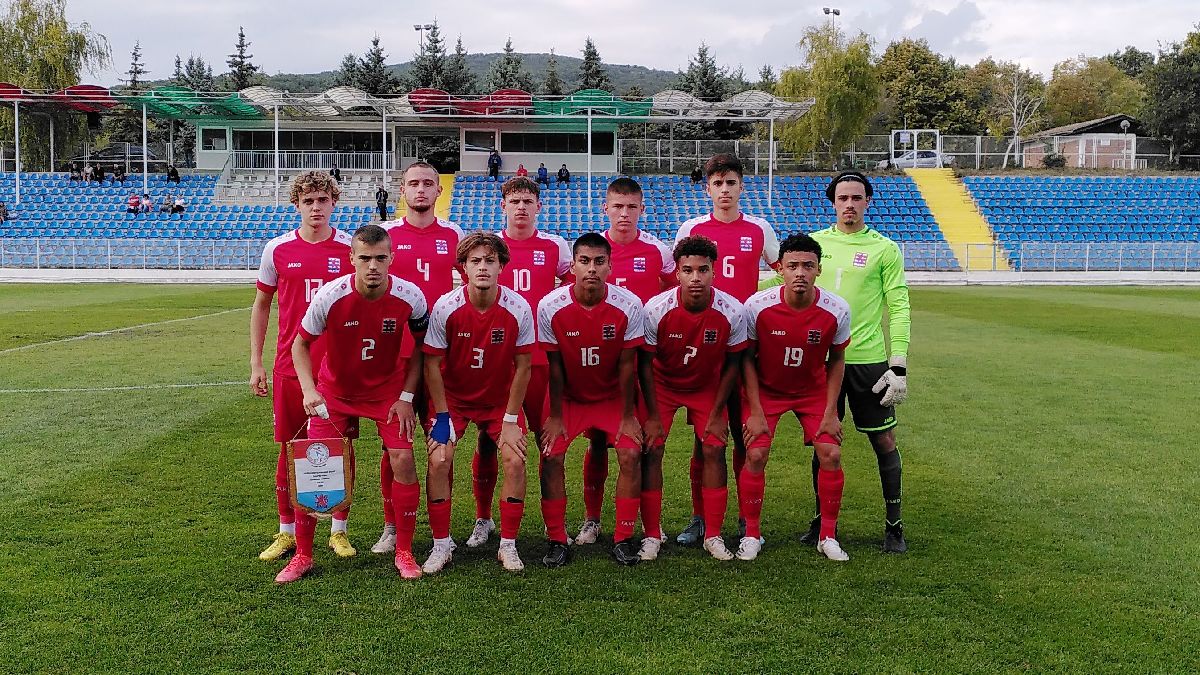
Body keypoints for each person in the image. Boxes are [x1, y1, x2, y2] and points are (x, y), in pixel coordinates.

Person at [281, 224, 430, 583]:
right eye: (365, 258)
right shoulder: (329, 296)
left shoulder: (411, 297)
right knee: (315, 466)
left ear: (392, 258)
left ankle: (404, 552)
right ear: (351, 259)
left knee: (403, 460)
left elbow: (421, 349)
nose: (373, 266)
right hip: (335, 393)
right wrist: (309, 390)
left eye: (380, 258)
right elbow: (299, 345)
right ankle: (303, 555)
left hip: (387, 394)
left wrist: (406, 397)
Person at [673, 153, 780, 545]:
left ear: (741, 187)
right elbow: (681, 278)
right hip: (706, 346)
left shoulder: (760, 228)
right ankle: (700, 517)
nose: (724, 190)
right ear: (707, 189)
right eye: (717, 183)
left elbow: (783, 271)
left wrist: (762, 307)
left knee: (742, 433)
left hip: (746, 345)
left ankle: (744, 518)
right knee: (705, 436)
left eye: (730, 182)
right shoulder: (692, 228)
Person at [250, 171, 354, 564]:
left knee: (340, 448)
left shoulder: (350, 248)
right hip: (289, 367)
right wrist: (256, 362)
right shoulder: (276, 249)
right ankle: (286, 532)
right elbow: (262, 306)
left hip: (337, 369)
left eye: (322, 199)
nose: (316, 207)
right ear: (296, 204)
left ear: (334, 203)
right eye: (308, 200)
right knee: (289, 448)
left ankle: (339, 530)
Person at [466, 176, 571, 550]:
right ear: (503, 206)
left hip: (540, 361)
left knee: (548, 443)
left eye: (528, 201)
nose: (521, 207)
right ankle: (483, 518)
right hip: (499, 363)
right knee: (488, 439)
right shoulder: (489, 248)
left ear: (538, 206)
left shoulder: (554, 246)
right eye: (515, 201)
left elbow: (573, 290)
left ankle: (554, 528)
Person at [421, 232, 535, 573]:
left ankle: (508, 545)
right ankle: (441, 545)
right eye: (475, 261)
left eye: (489, 260)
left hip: (499, 401)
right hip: (454, 400)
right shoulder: (446, 307)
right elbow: (431, 364)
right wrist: (442, 417)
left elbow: (524, 366)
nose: (483, 267)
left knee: (515, 459)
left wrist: (511, 420)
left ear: (502, 266)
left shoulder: (518, 307)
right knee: (439, 459)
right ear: (463, 268)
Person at [810, 171, 910, 553]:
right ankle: (821, 523)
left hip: (868, 361)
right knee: (824, 443)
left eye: (856, 198)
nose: (849, 204)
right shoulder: (816, 244)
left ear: (868, 202)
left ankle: (894, 527)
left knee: (884, 440)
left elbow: (898, 306)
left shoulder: (885, 249)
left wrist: (897, 364)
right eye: (843, 198)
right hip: (824, 361)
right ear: (833, 203)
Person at [576, 177, 676, 549]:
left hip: (643, 364)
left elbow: (672, 294)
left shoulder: (658, 251)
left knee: (645, 446)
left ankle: (650, 521)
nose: (624, 213)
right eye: (617, 206)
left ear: (642, 210)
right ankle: (591, 519)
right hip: (600, 365)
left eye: (631, 207)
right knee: (597, 444)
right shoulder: (593, 252)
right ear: (606, 208)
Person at [538, 232, 647, 568]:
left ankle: (623, 538)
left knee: (631, 453)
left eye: (599, 262)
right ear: (572, 266)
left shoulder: (629, 305)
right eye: (584, 261)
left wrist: (627, 416)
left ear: (610, 267)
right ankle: (557, 539)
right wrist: (556, 416)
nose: (592, 268)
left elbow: (628, 365)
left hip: (612, 397)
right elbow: (555, 366)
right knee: (551, 456)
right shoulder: (550, 305)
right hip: (569, 398)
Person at [370, 162, 463, 556]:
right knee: (393, 447)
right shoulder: (386, 235)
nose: (421, 189)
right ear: (402, 190)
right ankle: (391, 526)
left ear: (439, 191)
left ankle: (444, 531)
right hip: (396, 356)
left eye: (428, 183)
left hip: (440, 357)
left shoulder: (454, 235)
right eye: (413, 183)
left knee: (442, 443)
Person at [741, 233, 851, 562]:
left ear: (819, 269)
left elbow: (837, 360)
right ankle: (751, 534)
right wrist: (755, 411)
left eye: (807, 265)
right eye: (792, 266)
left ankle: (827, 536)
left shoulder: (836, 309)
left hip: (812, 391)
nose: (800, 272)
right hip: (767, 390)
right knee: (756, 453)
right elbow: (746, 359)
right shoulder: (757, 306)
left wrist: (830, 411)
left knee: (831, 453)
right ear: (780, 269)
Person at [641, 235, 747, 561]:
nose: (696, 278)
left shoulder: (732, 311)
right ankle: (651, 533)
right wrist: (653, 416)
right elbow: (644, 364)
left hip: (706, 387)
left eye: (703, 270)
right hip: (664, 385)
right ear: (677, 273)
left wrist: (717, 412)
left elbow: (733, 364)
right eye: (688, 270)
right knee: (652, 448)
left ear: (714, 271)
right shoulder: (656, 309)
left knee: (714, 447)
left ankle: (713, 534)